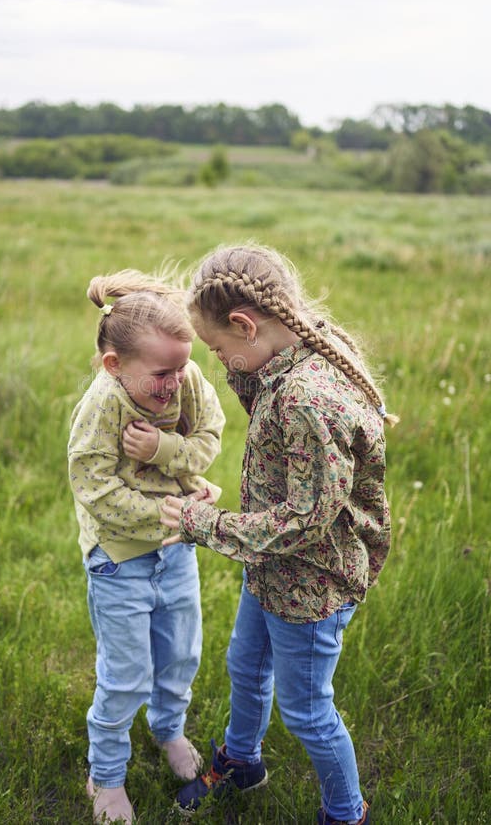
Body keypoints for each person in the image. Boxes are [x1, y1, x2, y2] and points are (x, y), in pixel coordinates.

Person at [160, 244, 396, 825]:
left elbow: (304, 521)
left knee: (309, 710)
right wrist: (238, 366)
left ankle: (346, 812)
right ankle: (242, 760)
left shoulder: (306, 399)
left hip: (311, 585)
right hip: (270, 572)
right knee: (245, 664)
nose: (218, 359)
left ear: (246, 324)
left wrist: (202, 524)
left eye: (218, 348)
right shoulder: (284, 357)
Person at [68, 269, 225, 824]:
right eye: (162, 373)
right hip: (119, 561)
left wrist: (164, 449)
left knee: (180, 655)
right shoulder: (103, 403)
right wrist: (167, 512)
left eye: (183, 366)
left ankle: (169, 730)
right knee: (126, 674)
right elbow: (93, 486)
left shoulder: (186, 379)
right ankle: (105, 776)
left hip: (175, 551)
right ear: (116, 366)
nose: (175, 381)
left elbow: (208, 440)